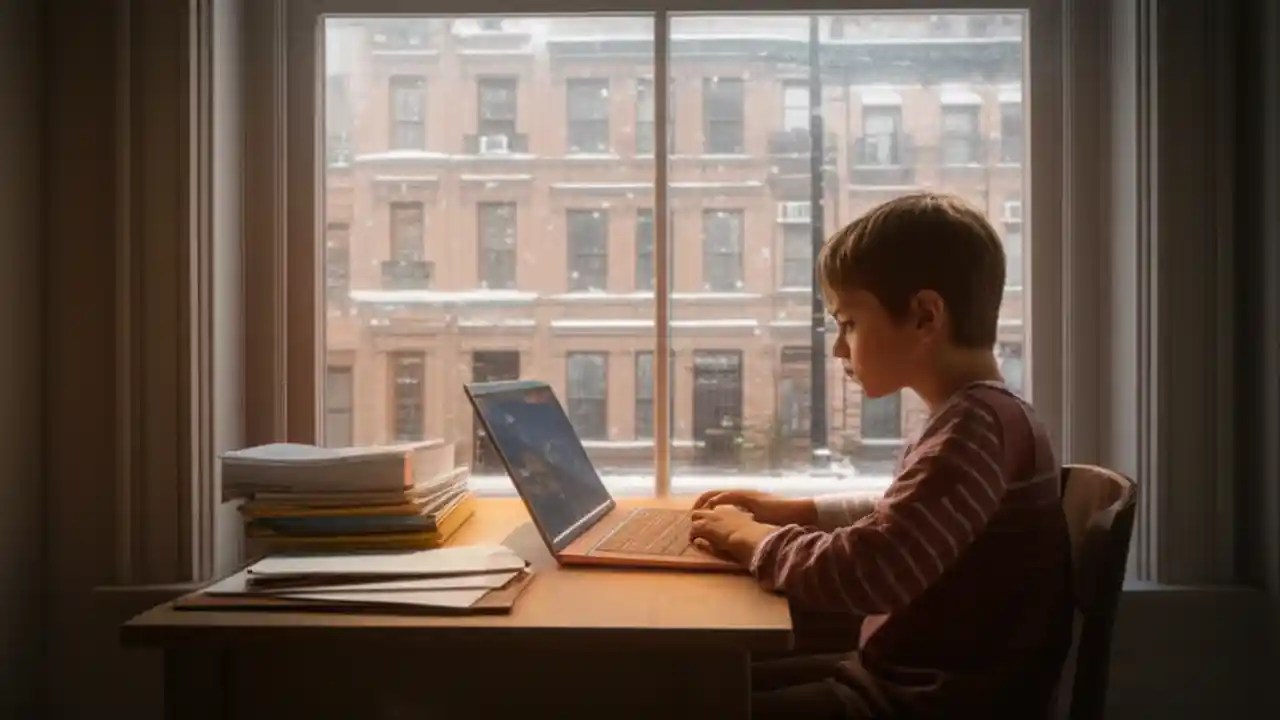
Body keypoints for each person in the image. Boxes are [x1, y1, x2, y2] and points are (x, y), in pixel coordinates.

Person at [689, 192, 1072, 719]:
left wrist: (749, 539)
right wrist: (799, 511)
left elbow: (871, 569)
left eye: (848, 323)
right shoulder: (980, 419)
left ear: (924, 317)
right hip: (897, 681)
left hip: (920, 703)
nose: (838, 348)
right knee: (701, 679)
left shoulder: (976, 428)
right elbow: (905, 514)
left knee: (686, 695)